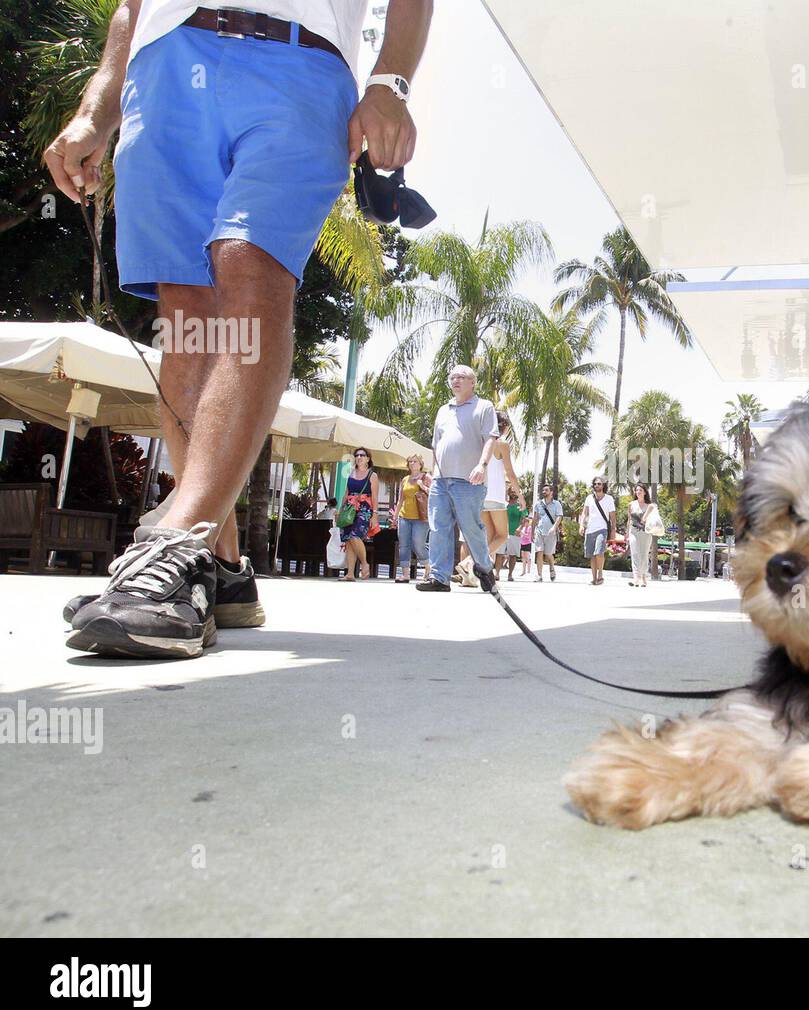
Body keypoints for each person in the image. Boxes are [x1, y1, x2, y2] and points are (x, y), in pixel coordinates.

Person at [53, 0, 433, 658]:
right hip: (165, 60)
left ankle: (179, 538)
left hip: (301, 58)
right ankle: (219, 565)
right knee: (188, 310)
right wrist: (96, 107)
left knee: (250, 262)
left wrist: (389, 81)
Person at [417, 365, 498, 593]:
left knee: (471, 528)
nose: (456, 380)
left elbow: (490, 438)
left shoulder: (484, 407)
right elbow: (436, 445)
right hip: (441, 481)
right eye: (453, 377)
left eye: (461, 377)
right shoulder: (443, 410)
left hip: (469, 481)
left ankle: (484, 568)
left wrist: (482, 465)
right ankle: (439, 578)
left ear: (473, 382)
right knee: (438, 527)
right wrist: (434, 473)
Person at [481, 412, 523, 568]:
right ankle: (469, 563)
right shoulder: (502, 444)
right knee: (503, 535)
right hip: (495, 497)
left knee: (491, 537)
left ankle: (478, 573)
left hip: (480, 495)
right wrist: (520, 496)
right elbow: (510, 473)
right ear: (505, 427)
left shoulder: (482, 442)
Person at [340, 448, 379, 581]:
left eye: (362, 455)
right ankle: (350, 573)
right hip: (349, 508)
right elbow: (346, 493)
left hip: (364, 509)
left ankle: (364, 563)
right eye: (357, 455)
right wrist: (340, 510)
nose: (359, 457)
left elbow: (375, 497)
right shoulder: (351, 473)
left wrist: (375, 515)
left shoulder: (372, 475)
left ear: (368, 458)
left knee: (355, 536)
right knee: (349, 540)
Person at [394, 453, 432, 583]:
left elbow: (435, 493)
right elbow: (401, 499)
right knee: (403, 545)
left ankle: (428, 567)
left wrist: (423, 486)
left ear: (420, 464)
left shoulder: (426, 477)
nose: (412, 463)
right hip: (404, 516)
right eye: (410, 461)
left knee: (418, 545)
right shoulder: (405, 479)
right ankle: (405, 575)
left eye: (415, 461)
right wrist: (395, 516)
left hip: (421, 518)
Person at [579, 476, 617, 585]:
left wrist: (613, 530)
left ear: (603, 485)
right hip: (590, 529)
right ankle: (594, 578)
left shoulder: (609, 499)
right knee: (592, 555)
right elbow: (585, 513)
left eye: (599, 484)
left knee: (599, 552)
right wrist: (581, 525)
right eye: (595, 484)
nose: (597, 485)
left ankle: (600, 574)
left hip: (602, 529)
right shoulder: (589, 498)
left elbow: (612, 516)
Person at [627, 481, 658, 588]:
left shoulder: (650, 506)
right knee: (635, 554)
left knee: (644, 554)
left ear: (645, 492)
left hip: (646, 533)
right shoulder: (631, 504)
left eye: (640, 490)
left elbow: (653, 519)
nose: (638, 492)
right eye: (637, 490)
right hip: (633, 532)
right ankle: (636, 578)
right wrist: (626, 534)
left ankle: (644, 576)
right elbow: (629, 520)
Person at [532, 483, 564, 582]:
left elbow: (559, 517)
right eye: (543, 490)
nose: (544, 492)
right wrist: (532, 532)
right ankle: (539, 575)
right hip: (539, 531)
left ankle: (552, 567)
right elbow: (535, 518)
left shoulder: (557, 504)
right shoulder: (538, 504)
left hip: (551, 533)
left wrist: (554, 527)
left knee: (549, 554)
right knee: (539, 552)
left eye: (546, 490)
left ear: (551, 492)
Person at [501, 488, 525, 581]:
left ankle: (510, 575)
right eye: (511, 491)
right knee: (499, 554)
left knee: (513, 555)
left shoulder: (520, 505)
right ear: (508, 493)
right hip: (503, 532)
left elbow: (524, 519)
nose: (513, 493)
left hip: (514, 533)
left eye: (515, 491)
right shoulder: (504, 505)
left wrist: (520, 528)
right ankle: (497, 574)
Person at [518, 515, 534, 579]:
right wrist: (520, 534)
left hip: (528, 543)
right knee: (523, 557)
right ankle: (523, 571)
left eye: (526, 522)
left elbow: (528, 536)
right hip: (522, 543)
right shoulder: (523, 528)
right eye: (524, 522)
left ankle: (529, 571)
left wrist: (523, 534)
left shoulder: (530, 528)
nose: (525, 523)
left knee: (527, 557)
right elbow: (520, 535)